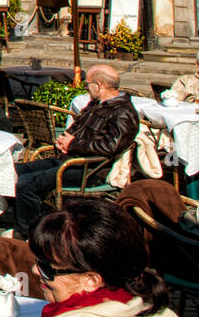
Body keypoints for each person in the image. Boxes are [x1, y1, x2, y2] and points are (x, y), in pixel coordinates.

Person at [13, 64, 139, 236]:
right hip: (68, 159)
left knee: (26, 184)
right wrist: (64, 139)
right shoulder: (97, 104)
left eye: (88, 84)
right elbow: (77, 127)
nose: (87, 88)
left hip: (89, 169)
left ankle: (28, 234)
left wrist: (73, 144)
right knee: (13, 170)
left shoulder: (123, 112)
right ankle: (30, 218)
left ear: (99, 84)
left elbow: (111, 146)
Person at [28, 198, 175, 317]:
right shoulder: (164, 313)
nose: (35, 270)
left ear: (90, 280)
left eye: (46, 267)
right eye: (39, 260)